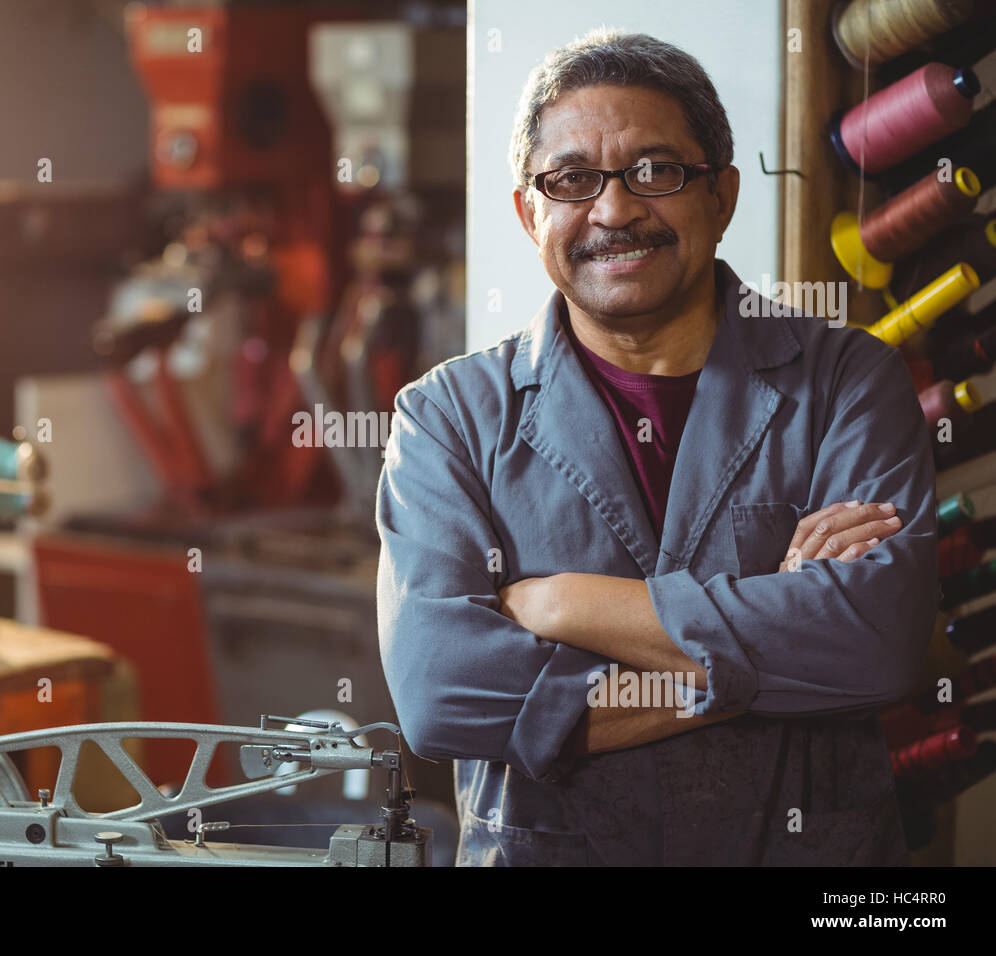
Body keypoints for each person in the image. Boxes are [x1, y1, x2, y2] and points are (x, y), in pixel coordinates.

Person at [376, 28, 937, 865]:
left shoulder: (850, 383)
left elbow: (875, 642)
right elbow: (442, 695)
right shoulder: (448, 415)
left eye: (655, 170)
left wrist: (565, 605)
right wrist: (760, 644)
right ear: (531, 212)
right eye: (572, 180)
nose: (614, 210)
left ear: (721, 196)